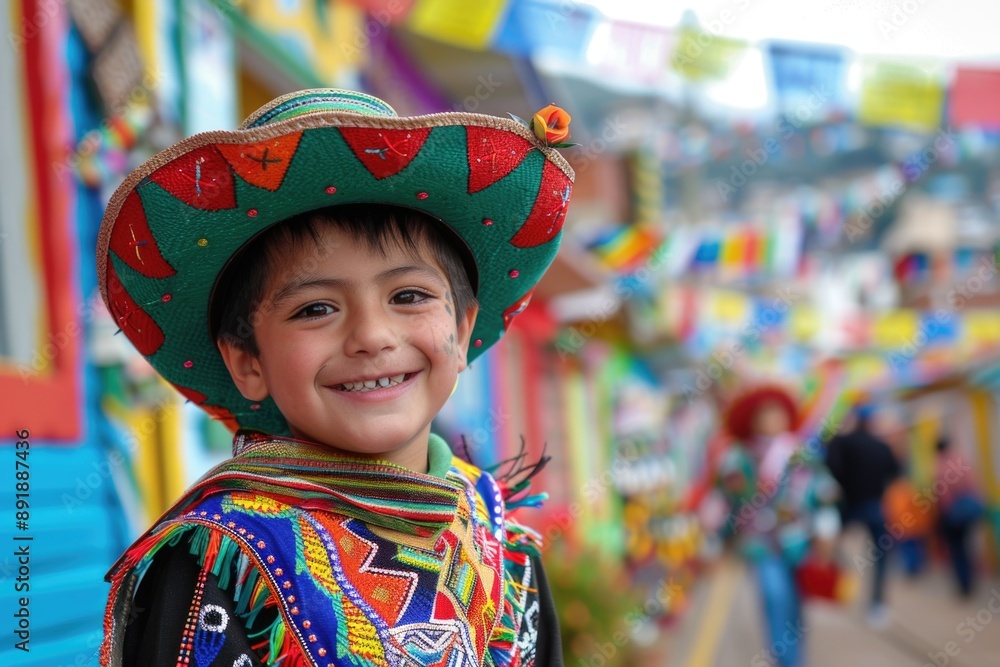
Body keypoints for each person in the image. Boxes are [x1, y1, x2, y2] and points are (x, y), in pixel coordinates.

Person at [97, 89, 575, 666]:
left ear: (462, 330)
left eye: (409, 296)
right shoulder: (223, 556)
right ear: (248, 362)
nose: (372, 336)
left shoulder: (501, 541)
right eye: (316, 309)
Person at [718, 384, 837, 667]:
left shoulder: (800, 454)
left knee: (796, 604)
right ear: (753, 419)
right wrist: (714, 538)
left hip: (798, 542)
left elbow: (824, 492)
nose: (773, 419)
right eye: (766, 414)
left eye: (777, 413)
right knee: (774, 598)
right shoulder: (739, 457)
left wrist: (826, 530)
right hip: (760, 545)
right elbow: (725, 499)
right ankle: (786, 660)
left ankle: (796, 657)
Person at [824, 402, 901, 627]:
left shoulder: (841, 443)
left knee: (828, 548)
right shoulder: (882, 446)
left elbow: (831, 469)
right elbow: (895, 473)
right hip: (874, 505)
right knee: (881, 556)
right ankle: (877, 604)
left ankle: (834, 591)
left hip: (846, 506)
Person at [934, 436, 982, 598]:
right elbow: (973, 487)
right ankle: (972, 581)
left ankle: (963, 584)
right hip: (967, 513)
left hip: (952, 516)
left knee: (957, 550)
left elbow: (943, 497)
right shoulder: (961, 462)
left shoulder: (940, 467)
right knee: (968, 546)